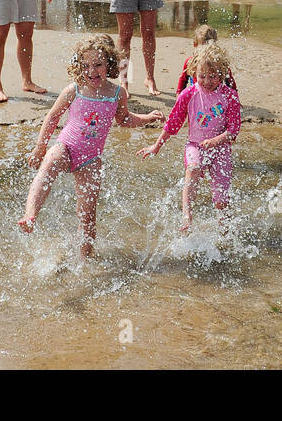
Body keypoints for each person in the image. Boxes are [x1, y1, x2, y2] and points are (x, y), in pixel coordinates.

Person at [19, 34, 163, 255]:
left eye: (98, 65)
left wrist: (147, 118)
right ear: (79, 66)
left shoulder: (117, 93)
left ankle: (85, 260)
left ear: (110, 64)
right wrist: (40, 147)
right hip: (66, 147)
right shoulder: (74, 89)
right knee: (48, 164)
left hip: (90, 159)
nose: (91, 71)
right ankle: (30, 216)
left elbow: (124, 120)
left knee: (87, 215)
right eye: (85, 65)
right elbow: (52, 116)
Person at [139, 41, 241, 233]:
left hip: (221, 149)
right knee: (193, 169)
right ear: (194, 73)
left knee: (220, 200)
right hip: (195, 145)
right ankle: (187, 216)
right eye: (202, 76)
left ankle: (226, 231)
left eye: (213, 76)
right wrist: (156, 146)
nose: (207, 81)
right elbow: (173, 123)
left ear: (222, 73)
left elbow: (234, 130)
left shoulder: (230, 96)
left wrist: (216, 140)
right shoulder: (189, 94)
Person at [176, 24, 238, 94]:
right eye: (203, 46)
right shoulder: (190, 62)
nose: (206, 49)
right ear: (195, 45)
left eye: (210, 46)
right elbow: (183, 80)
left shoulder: (219, 62)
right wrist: (179, 94)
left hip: (216, 98)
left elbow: (230, 81)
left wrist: (234, 98)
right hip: (196, 96)